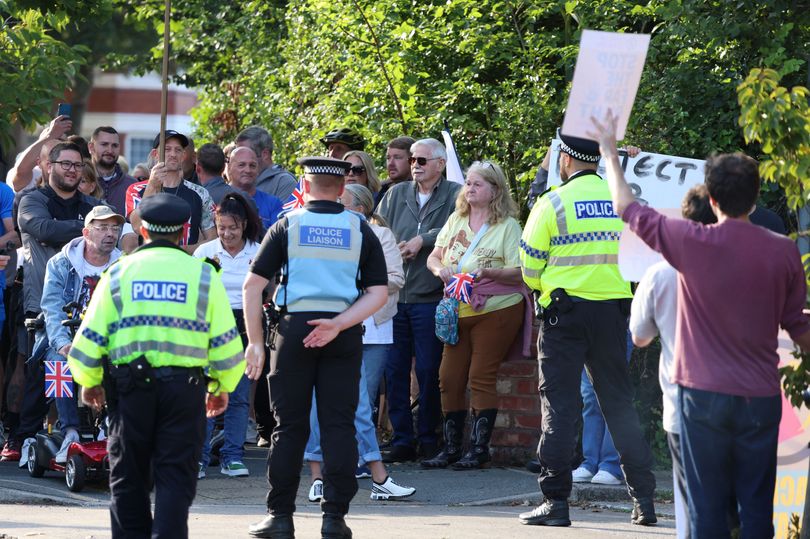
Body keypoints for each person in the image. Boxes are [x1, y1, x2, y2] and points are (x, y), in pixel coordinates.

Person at [590, 109, 810, 538]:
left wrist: (611, 156)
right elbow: (798, 326)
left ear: (710, 199)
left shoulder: (691, 241)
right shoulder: (783, 251)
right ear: (756, 194)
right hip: (761, 397)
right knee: (756, 512)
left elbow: (626, 208)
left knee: (705, 512)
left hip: (700, 399)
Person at [67, 193, 245, 539]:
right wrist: (221, 387)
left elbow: (87, 342)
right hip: (185, 392)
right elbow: (227, 345)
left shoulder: (118, 274)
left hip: (130, 391)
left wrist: (90, 382)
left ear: (142, 229)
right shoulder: (203, 275)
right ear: (183, 231)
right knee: (175, 479)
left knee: (128, 481)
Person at [243, 157, 387, 539]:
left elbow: (252, 286)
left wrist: (255, 344)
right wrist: (339, 324)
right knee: (339, 426)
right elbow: (378, 292)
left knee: (288, 428)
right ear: (341, 190)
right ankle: (335, 519)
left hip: (293, 333)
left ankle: (280, 517)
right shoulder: (360, 227)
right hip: (342, 332)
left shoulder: (287, 225)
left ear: (303, 188)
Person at [518, 132, 656, 527]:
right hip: (613, 313)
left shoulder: (553, 201)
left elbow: (529, 265)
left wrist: (547, 291)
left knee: (559, 409)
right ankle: (643, 503)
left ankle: (556, 503)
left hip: (565, 315)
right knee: (620, 406)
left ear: (564, 160)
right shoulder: (622, 198)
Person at [304, 183, 414, 502]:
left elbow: (395, 278)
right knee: (323, 403)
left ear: (361, 209)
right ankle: (326, 474)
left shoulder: (380, 235)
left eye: (344, 203)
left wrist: (363, 285)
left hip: (373, 329)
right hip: (334, 328)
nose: (336, 206)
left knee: (360, 402)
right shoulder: (328, 235)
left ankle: (362, 468)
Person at [423, 161, 529, 470]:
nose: (469, 188)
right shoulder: (456, 219)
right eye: (468, 183)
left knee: (480, 376)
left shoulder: (508, 226)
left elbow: (521, 271)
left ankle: (479, 450)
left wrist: (489, 272)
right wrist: (438, 269)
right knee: (448, 378)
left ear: (495, 190)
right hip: (457, 309)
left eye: (477, 184)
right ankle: (452, 447)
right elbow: (434, 256)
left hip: (496, 308)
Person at [1, 142, 102, 463]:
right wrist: (91, 230)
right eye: (65, 164)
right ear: (49, 167)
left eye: (77, 165)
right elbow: (41, 228)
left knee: (91, 370)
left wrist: (96, 228)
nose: (71, 170)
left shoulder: (92, 203)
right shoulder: (31, 200)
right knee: (36, 373)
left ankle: (81, 430)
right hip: (41, 303)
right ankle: (20, 435)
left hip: (88, 304)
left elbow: (116, 231)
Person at [629, 184, 716, 538]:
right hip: (745, 396)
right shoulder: (752, 264)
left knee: (690, 499)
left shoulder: (660, 273)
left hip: (684, 398)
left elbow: (640, 337)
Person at [377, 138, 462, 463]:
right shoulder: (396, 193)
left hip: (429, 296)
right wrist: (391, 248)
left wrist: (423, 240)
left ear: (440, 163)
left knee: (428, 370)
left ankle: (429, 437)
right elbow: (377, 229)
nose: (416, 164)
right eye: (413, 159)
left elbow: (462, 229)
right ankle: (402, 439)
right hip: (396, 297)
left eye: (423, 160)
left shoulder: (455, 193)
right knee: (395, 370)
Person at [39, 205, 124, 463]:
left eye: (115, 228)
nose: (110, 234)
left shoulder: (125, 265)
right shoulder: (61, 263)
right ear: (87, 232)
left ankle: (109, 426)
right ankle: (70, 432)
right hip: (69, 336)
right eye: (102, 228)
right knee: (57, 362)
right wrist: (64, 343)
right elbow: (51, 307)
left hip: (110, 340)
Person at [195, 192, 262, 478]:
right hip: (212, 327)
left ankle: (232, 455)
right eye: (222, 227)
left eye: (233, 227)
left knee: (238, 396)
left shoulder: (258, 251)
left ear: (244, 225)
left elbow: (267, 289)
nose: (227, 233)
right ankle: (198, 457)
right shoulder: (205, 252)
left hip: (246, 325)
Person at [126, 130, 217, 252]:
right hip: (150, 264)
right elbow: (137, 226)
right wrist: (152, 186)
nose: (173, 154)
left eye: (178, 150)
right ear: (155, 154)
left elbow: (213, 239)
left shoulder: (200, 193)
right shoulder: (136, 190)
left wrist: (179, 251)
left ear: (183, 155)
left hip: (185, 266)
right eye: (167, 149)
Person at [7, 115, 72, 192]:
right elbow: (22, 170)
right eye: (52, 139)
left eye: (62, 142)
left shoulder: (73, 173)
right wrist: (50, 135)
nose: (57, 144)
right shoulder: (33, 173)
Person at [227, 146, 284, 231]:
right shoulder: (217, 199)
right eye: (241, 165)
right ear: (229, 168)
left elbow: (278, 239)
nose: (248, 170)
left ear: (258, 170)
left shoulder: (273, 203)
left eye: (252, 166)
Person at [235, 126, 297, 201]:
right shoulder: (239, 181)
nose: (239, 159)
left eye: (245, 153)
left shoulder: (284, 182)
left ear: (265, 154)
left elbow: (287, 212)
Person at [88, 126, 137, 214]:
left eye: (114, 145)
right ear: (91, 147)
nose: (110, 150)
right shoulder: (79, 182)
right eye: (104, 144)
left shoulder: (132, 186)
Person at [377, 136, 415, 201]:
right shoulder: (380, 191)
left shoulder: (423, 192)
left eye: (397, 157)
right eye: (388, 158)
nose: (390, 163)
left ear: (412, 160)